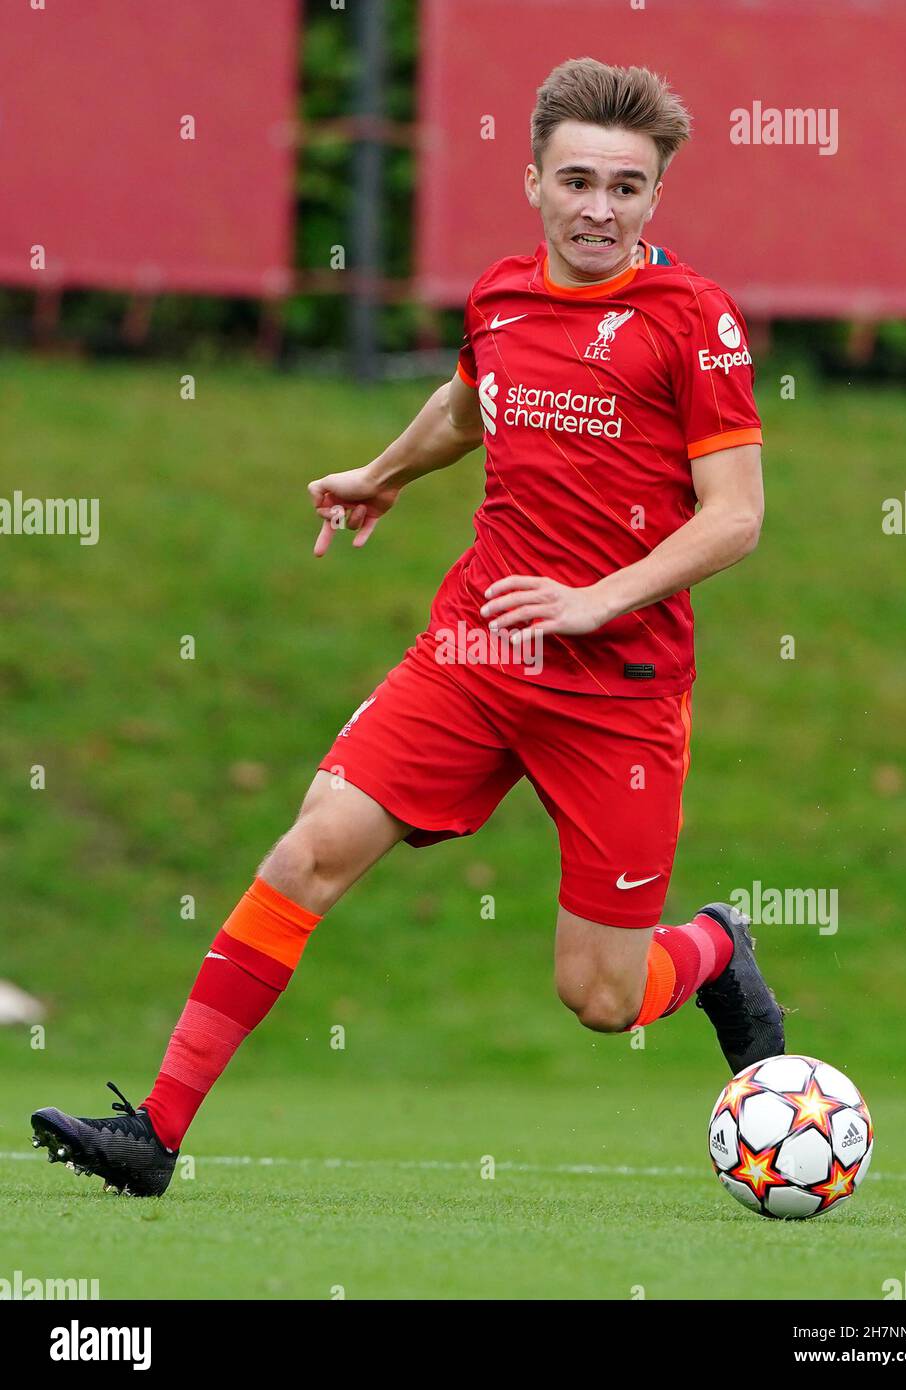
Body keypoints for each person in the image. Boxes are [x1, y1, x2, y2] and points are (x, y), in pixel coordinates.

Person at [31, 57, 784, 1197]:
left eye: (624, 188)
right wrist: (384, 472)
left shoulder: (692, 322)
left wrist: (596, 597)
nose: (597, 207)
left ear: (654, 199)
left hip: (617, 684)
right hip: (477, 650)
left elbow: (735, 518)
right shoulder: (500, 295)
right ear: (531, 179)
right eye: (575, 180)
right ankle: (156, 1133)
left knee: (598, 996)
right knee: (311, 846)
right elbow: (474, 401)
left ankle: (718, 947)